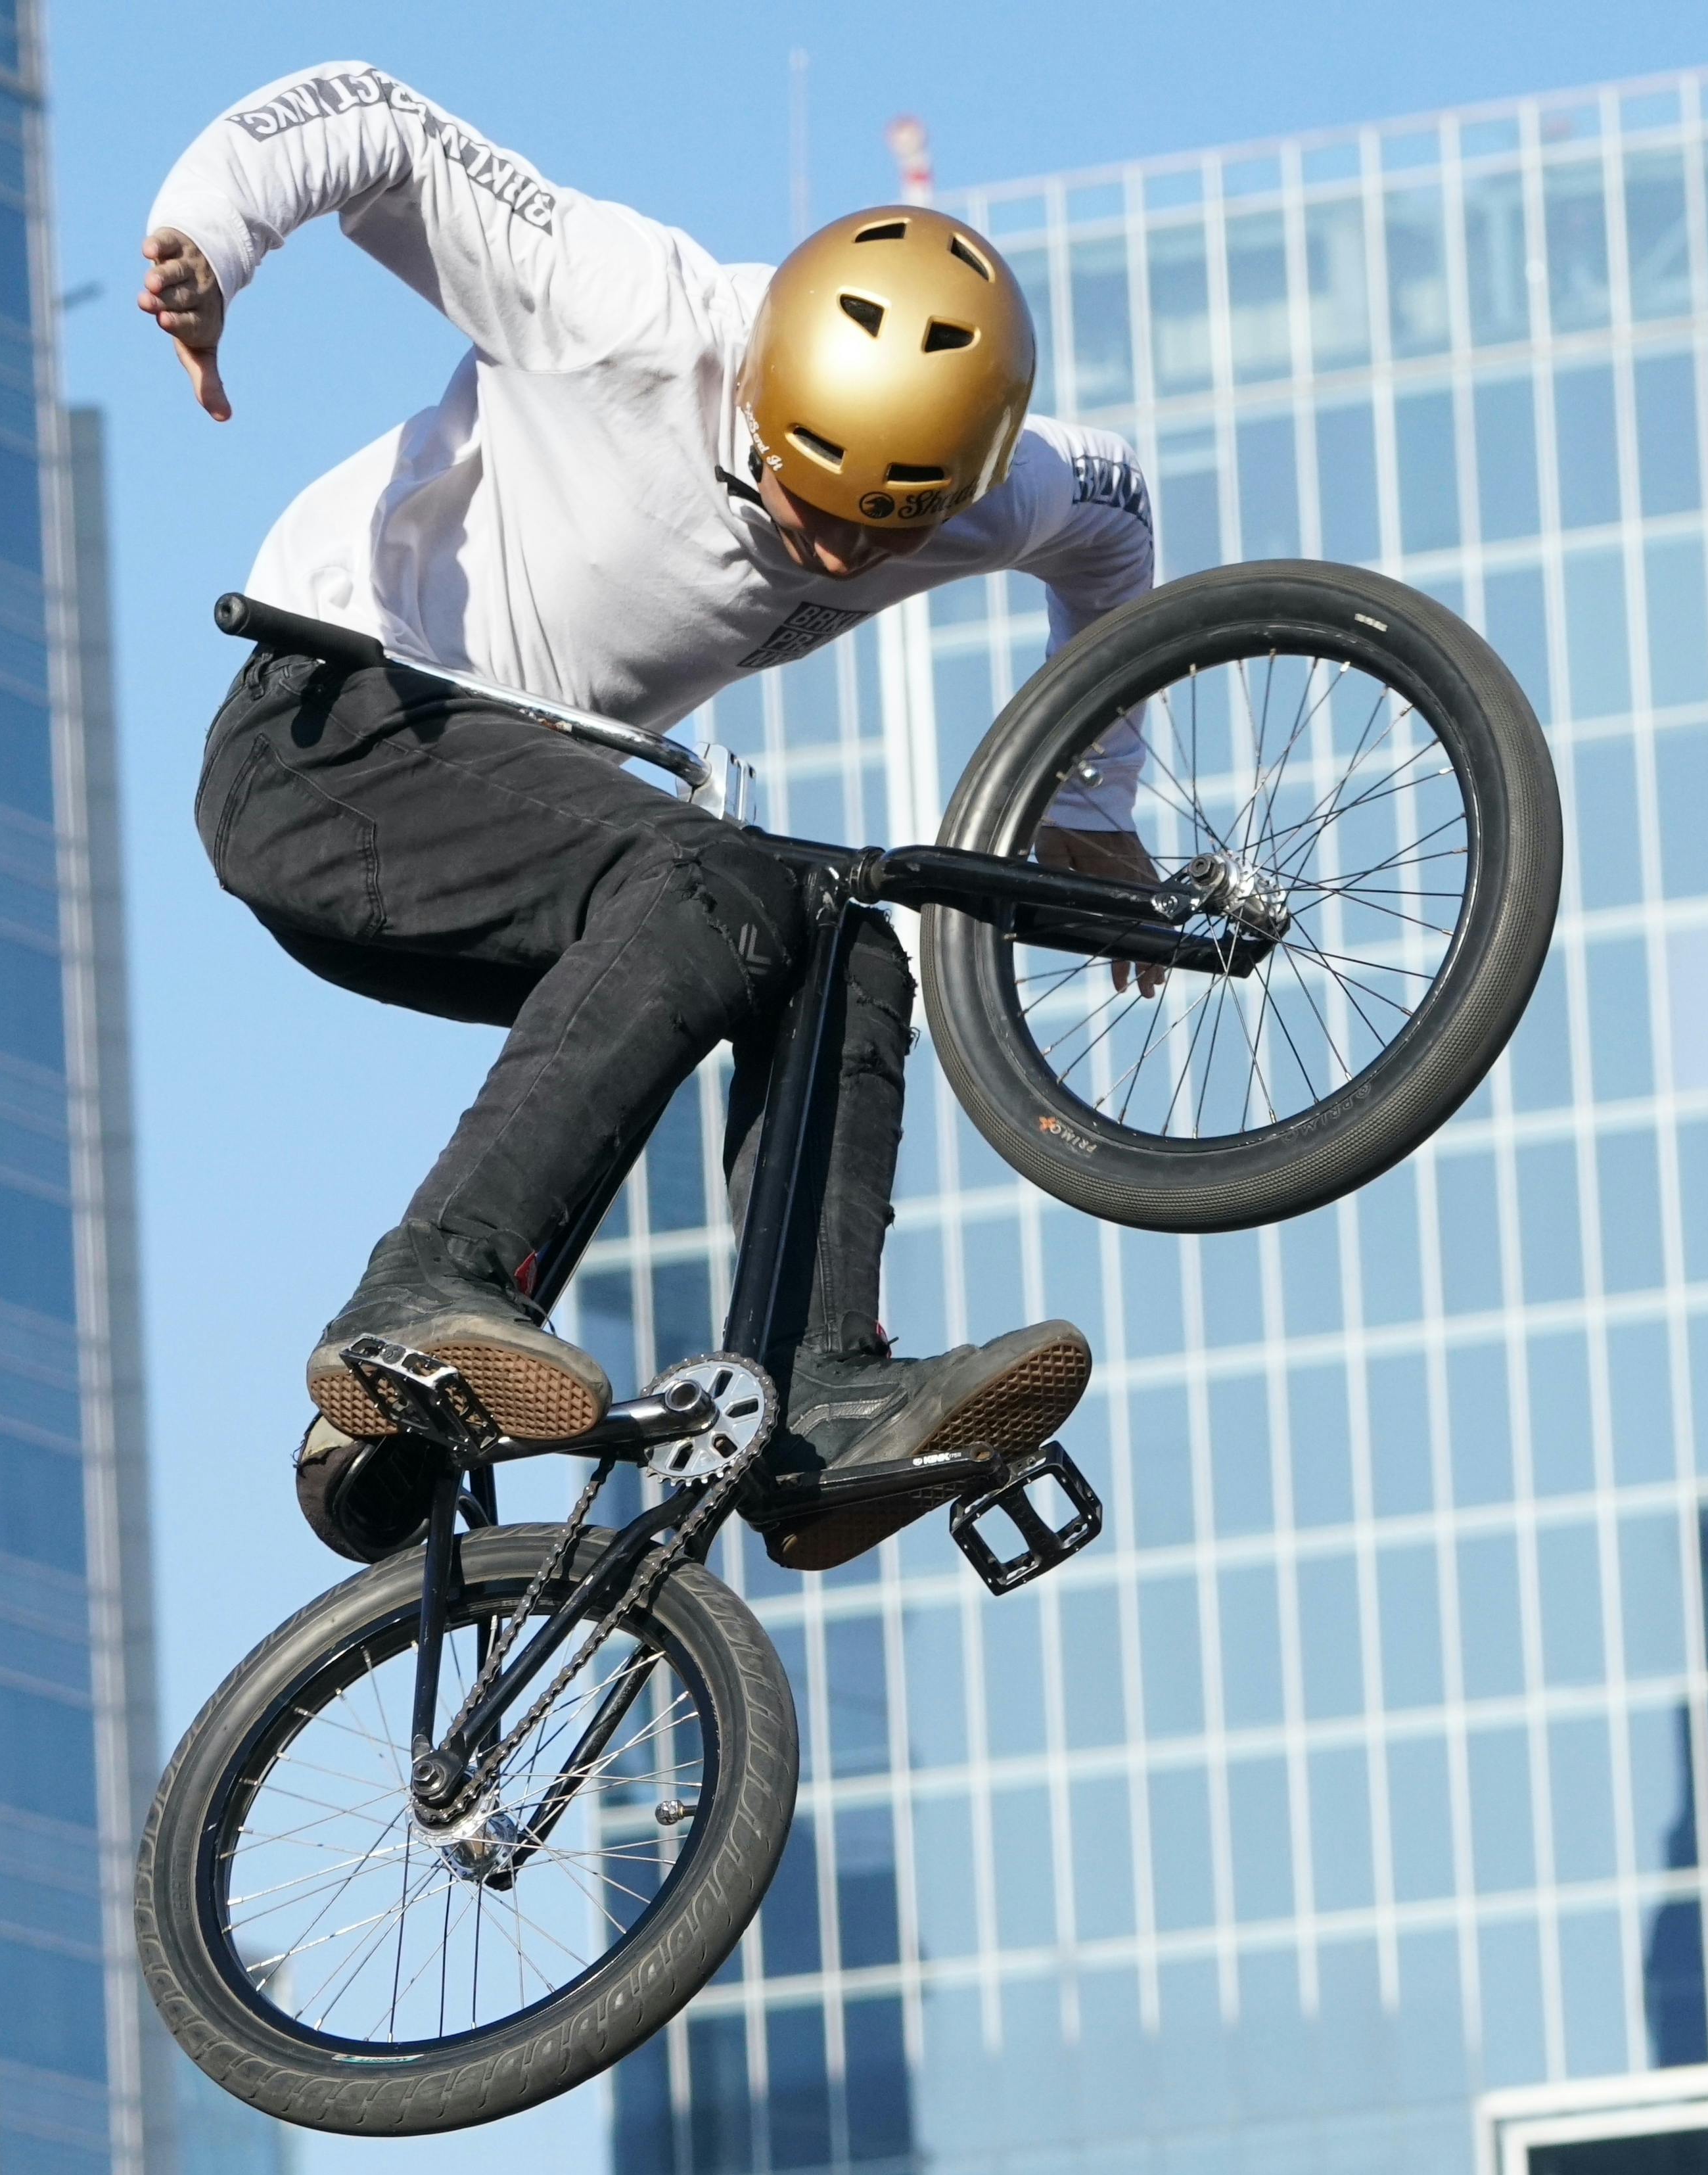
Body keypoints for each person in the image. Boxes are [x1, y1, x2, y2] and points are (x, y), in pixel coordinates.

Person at [139, 62, 1157, 1555]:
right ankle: (425, 1290)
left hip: (513, 817)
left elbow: (1117, 528)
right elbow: (376, 124)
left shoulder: (1003, 483)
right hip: (328, 740)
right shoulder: (631, 307)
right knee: (717, 880)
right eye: (806, 501)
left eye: (880, 531)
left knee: (840, 936)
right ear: (762, 389)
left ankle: (818, 1397)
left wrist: (1095, 791)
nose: (827, 552)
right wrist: (207, 241)